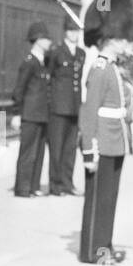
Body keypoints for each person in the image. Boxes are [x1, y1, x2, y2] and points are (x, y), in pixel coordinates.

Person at [78, 0, 133, 265]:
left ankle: (105, 244)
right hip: (101, 144)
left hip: (115, 142)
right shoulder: (101, 69)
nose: (128, 45)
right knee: (97, 202)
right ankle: (92, 250)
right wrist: (88, 151)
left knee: (109, 200)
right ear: (112, 38)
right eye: (124, 39)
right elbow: (89, 112)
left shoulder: (114, 69)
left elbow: (120, 110)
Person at [11, 23, 52, 196]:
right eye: (46, 38)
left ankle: (33, 186)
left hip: (41, 114)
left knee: (39, 153)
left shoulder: (43, 61)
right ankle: (22, 188)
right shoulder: (29, 62)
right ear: (38, 40)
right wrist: (17, 113)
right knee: (27, 153)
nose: (49, 42)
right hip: (29, 114)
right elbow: (19, 89)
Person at [47, 23, 85, 195]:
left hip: (74, 107)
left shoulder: (80, 53)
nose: (74, 34)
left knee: (70, 148)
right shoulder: (56, 52)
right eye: (71, 31)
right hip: (58, 107)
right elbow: (49, 77)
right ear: (65, 32)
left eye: (76, 31)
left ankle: (67, 183)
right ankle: (55, 185)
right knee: (56, 147)